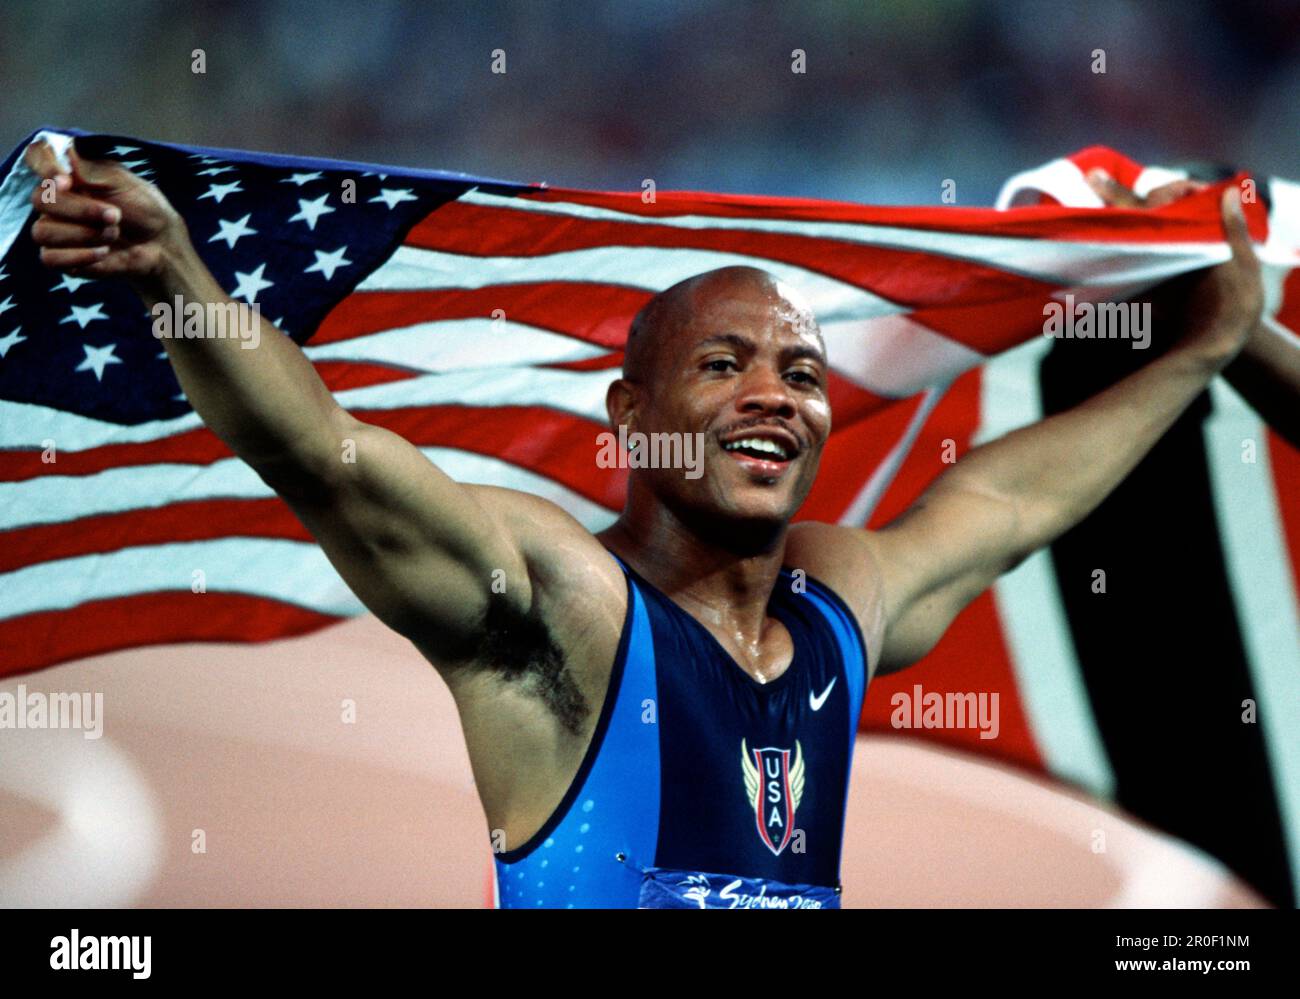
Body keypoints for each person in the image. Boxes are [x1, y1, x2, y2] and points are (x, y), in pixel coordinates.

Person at [22, 138, 1265, 908]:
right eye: (722, 365)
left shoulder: (839, 605)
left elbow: (1006, 502)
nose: (773, 394)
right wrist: (179, 278)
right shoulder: (562, 611)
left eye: (802, 372)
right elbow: (324, 453)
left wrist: (1200, 345)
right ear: (632, 411)